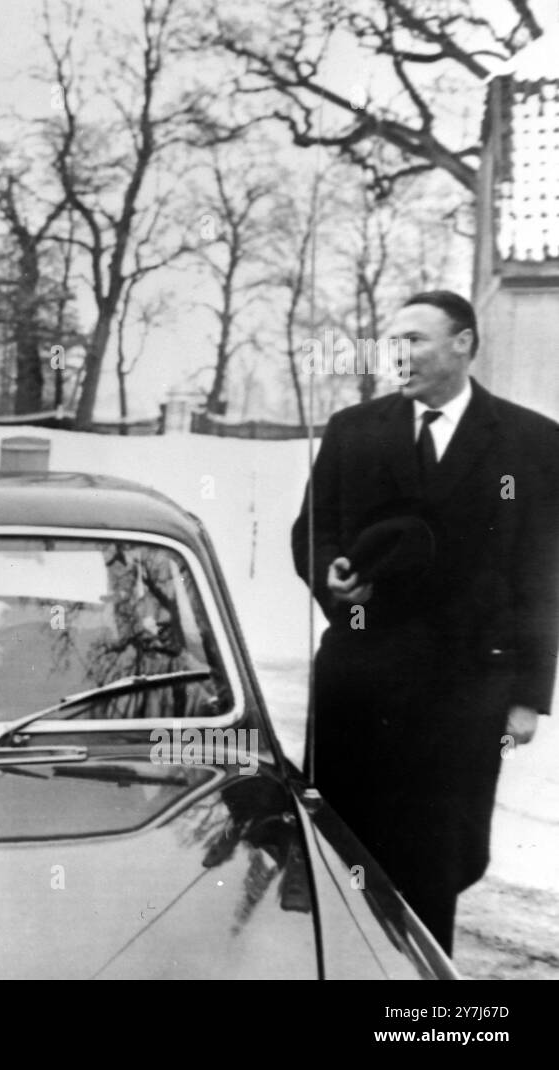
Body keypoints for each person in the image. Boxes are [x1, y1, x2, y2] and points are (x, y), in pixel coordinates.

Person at [291, 290, 559, 954]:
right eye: (394, 341)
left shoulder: (532, 442)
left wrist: (528, 695)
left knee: (439, 860)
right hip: (359, 683)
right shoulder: (355, 429)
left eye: (415, 339)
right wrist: (330, 575)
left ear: (464, 343)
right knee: (343, 852)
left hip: (464, 693)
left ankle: (422, 1008)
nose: (400, 354)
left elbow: (542, 572)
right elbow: (312, 533)